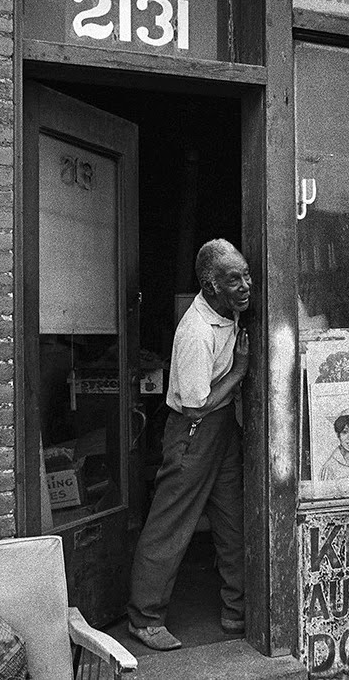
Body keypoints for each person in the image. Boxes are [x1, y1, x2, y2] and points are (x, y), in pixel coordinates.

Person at [127, 239, 251, 651]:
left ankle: (237, 609)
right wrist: (239, 372)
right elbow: (196, 407)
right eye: (234, 280)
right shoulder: (196, 332)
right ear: (211, 286)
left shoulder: (230, 311)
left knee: (233, 519)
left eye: (246, 275)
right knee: (171, 523)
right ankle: (145, 618)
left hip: (222, 429)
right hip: (194, 431)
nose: (245, 286)